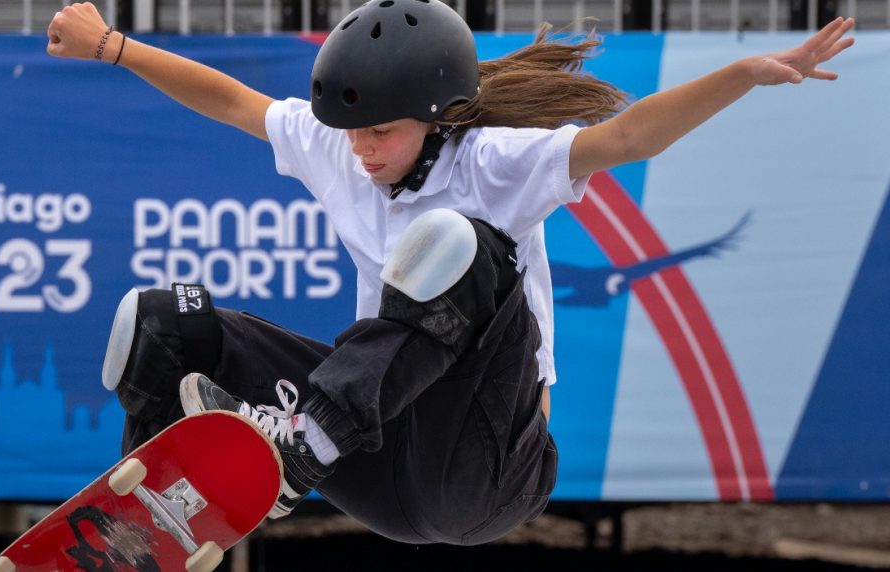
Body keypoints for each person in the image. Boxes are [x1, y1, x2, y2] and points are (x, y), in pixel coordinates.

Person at [48, 1, 854, 545]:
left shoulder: (496, 164)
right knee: (159, 324)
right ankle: (143, 522)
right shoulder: (340, 146)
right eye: (352, 133)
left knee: (460, 244)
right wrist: (113, 46)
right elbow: (231, 102)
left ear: (435, 119)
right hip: (376, 463)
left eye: (383, 134)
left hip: (483, 471)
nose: (362, 152)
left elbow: (629, 138)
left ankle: (306, 445)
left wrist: (744, 76)